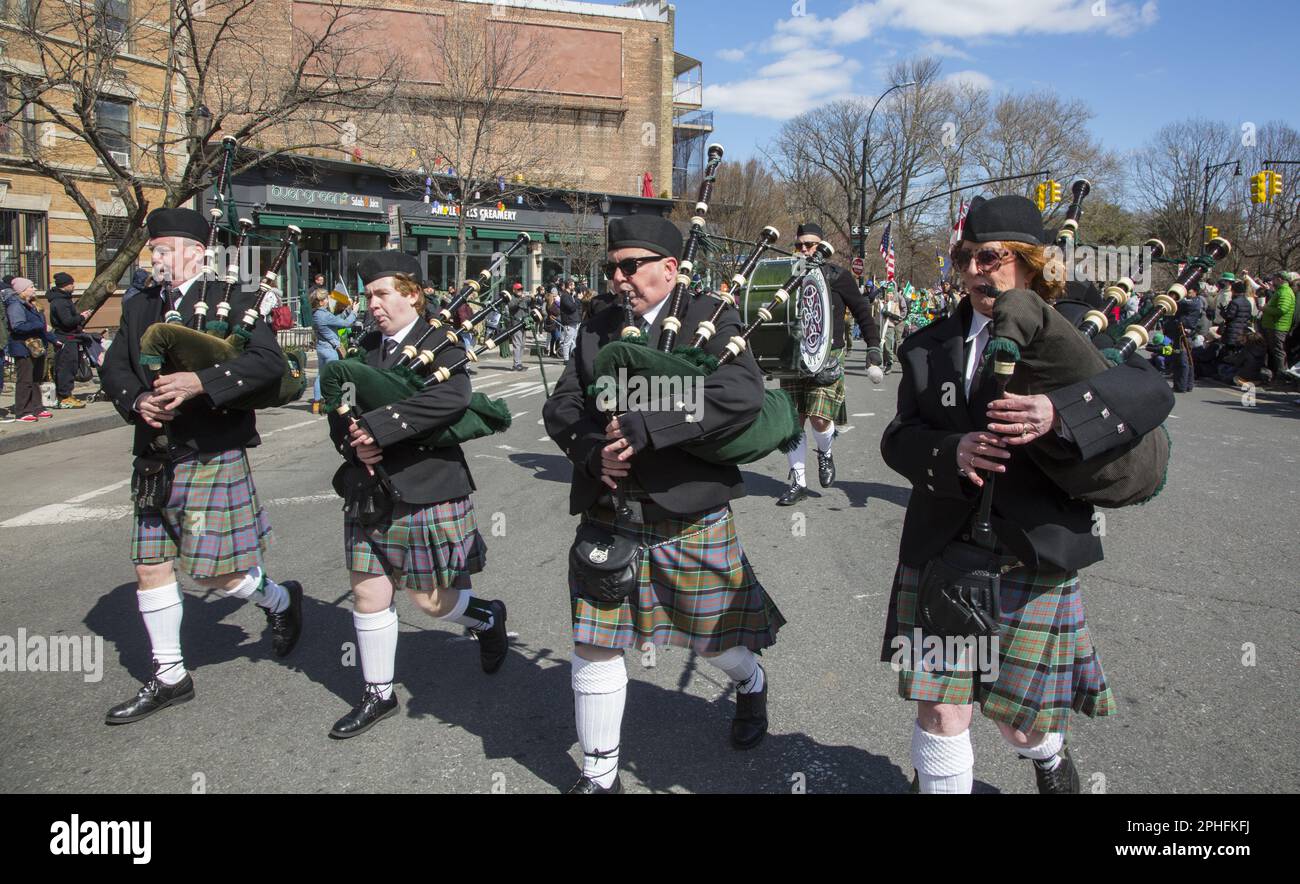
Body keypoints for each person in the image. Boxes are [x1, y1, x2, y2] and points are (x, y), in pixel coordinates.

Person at [879, 195, 1174, 794]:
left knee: (1015, 720)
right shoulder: (925, 345)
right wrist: (949, 452)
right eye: (963, 258)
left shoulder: (1081, 332)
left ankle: (1046, 751)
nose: (973, 270)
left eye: (989, 256)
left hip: (1030, 550)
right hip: (944, 546)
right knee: (941, 710)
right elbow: (897, 438)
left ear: (1031, 263)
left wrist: (1062, 412)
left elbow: (1150, 394)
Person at [542, 215, 784, 794]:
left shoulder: (712, 315)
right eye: (613, 267)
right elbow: (565, 404)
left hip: (688, 511)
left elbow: (739, 394)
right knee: (594, 642)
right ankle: (599, 775)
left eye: (632, 266)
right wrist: (592, 449)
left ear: (670, 268)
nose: (620, 277)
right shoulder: (599, 324)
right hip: (611, 509)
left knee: (714, 639)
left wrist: (651, 425)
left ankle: (749, 683)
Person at [99, 207, 305, 724]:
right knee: (150, 565)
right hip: (154, 454)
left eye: (166, 249)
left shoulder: (234, 298)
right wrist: (136, 401)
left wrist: (199, 383)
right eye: (154, 250)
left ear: (198, 252)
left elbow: (268, 364)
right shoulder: (141, 302)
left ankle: (278, 601)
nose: (157, 258)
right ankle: (170, 676)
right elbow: (117, 364)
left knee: (217, 574)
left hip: (209, 448)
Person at [325, 251, 507, 738]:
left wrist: (379, 429)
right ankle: (377, 693)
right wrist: (351, 441)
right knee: (368, 594)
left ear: (412, 294)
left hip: (427, 485)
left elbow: (453, 397)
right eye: (369, 296)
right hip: (370, 488)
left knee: (430, 602)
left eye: (382, 294)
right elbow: (339, 404)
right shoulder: (363, 347)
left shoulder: (441, 343)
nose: (373, 305)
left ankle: (486, 617)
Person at [776, 222, 881, 506]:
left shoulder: (838, 276)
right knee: (792, 422)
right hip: (794, 357)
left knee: (820, 419)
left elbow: (862, 311)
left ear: (822, 246)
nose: (804, 250)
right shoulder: (787, 276)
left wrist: (873, 347)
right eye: (799, 245)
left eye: (809, 244)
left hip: (828, 355)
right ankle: (798, 481)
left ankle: (825, 452)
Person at [4, 277, 56, 422]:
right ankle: (23, 411)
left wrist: (53, 339)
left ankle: (37, 407)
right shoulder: (16, 305)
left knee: (35, 378)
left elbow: (41, 327)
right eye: (31, 286)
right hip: (22, 347)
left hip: (35, 346)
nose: (34, 289)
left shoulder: (30, 304)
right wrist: (39, 325)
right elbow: (17, 326)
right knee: (25, 380)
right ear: (22, 290)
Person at [47, 272, 92, 408]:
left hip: (70, 336)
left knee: (71, 366)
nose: (74, 286)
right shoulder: (60, 302)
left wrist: (78, 327)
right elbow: (67, 321)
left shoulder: (64, 299)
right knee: (66, 367)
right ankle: (64, 396)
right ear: (65, 285)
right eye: (71, 284)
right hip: (65, 338)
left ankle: (67, 394)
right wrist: (82, 317)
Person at [311, 288, 356, 413]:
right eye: (326, 298)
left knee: (320, 376)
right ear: (321, 301)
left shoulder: (316, 314)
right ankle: (334, 403)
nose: (328, 300)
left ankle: (316, 404)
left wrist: (348, 310)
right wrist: (354, 312)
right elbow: (346, 324)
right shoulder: (324, 314)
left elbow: (337, 320)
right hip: (330, 349)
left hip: (321, 348)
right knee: (333, 376)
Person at [1260, 271, 1295, 387]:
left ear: (1280, 279)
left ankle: (1282, 377)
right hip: (1272, 326)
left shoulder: (1285, 292)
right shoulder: (1280, 291)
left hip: (1278, 327)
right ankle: (1275, 375)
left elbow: (1281, 310)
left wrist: (1265, 309)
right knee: (1274, 352)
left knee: (1278, 352)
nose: (1272, 281)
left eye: (1274, 279)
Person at [506, 282, 529, 371]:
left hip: (524, 324)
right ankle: (516, 364)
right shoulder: (512, 298)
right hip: (516, 324)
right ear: (514, 290)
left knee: (522, 345)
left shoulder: (523, 298)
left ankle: (519, 362)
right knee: (517, 344)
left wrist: (532, 298)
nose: (520, 291)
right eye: (518, 289)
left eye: (521, 289)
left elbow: (530, 304)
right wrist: (520, 299)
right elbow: (512, 306)